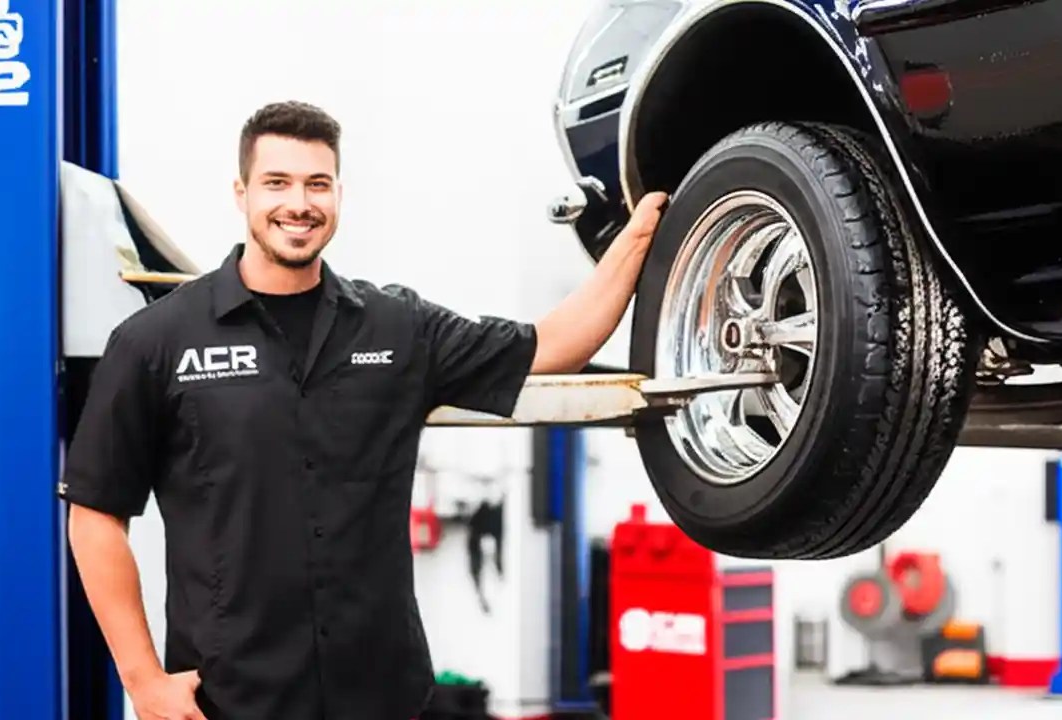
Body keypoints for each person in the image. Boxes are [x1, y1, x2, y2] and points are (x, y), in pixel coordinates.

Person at [59, 100, 669, 720]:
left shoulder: (397, 328)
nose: (299, 203)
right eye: (277, 182)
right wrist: (143, 681)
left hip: (382, 696)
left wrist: (642, 232)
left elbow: (553, 345)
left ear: (338, 195)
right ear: (241, 193)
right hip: (233, 699)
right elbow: (96, 515)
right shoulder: (158, 341)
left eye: (316, 184)